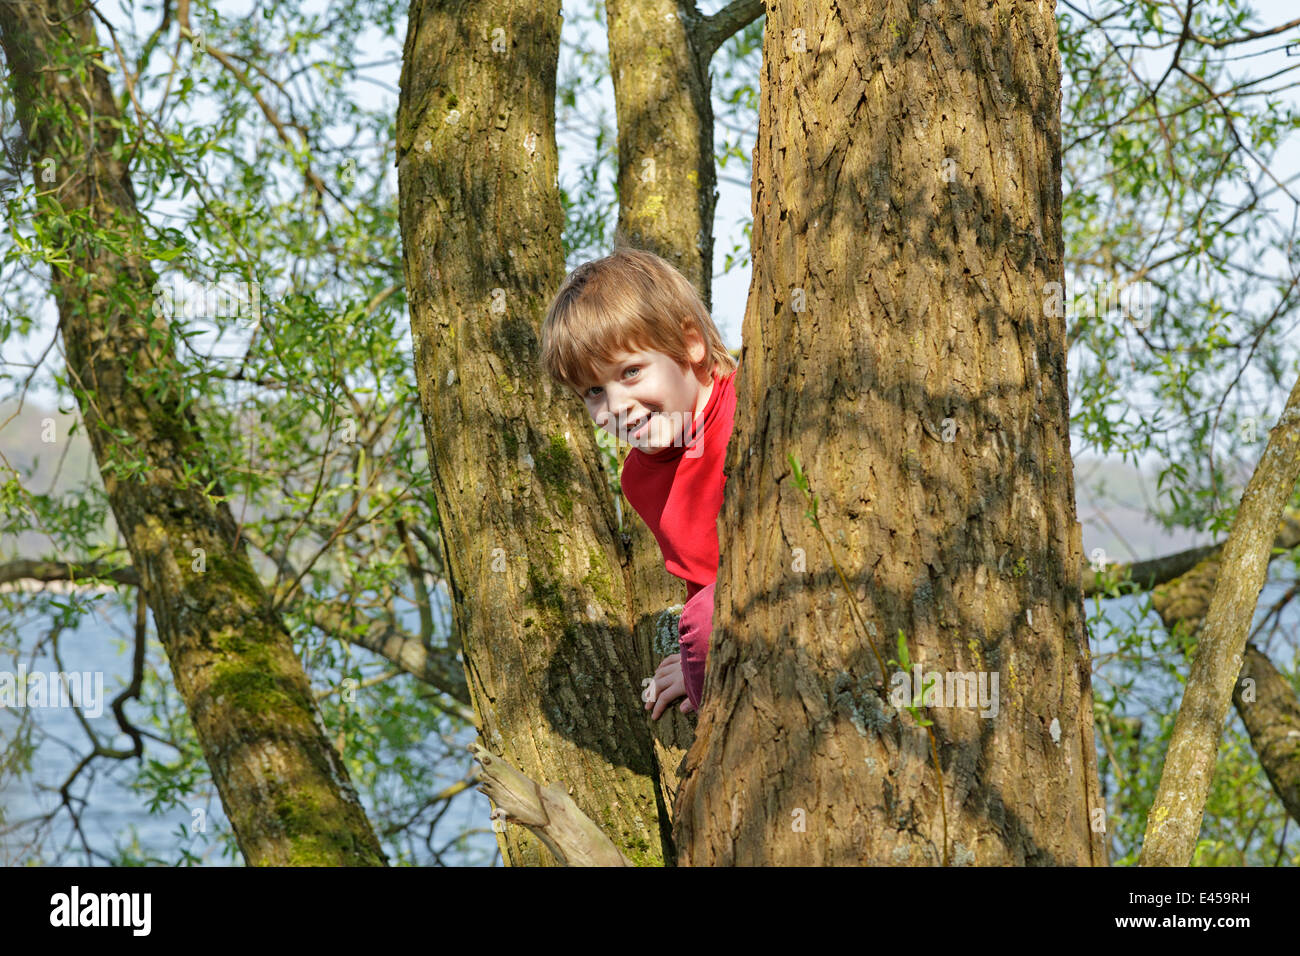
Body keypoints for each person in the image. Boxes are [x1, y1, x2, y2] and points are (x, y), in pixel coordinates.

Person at [539, 247, 738, 718]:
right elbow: (699, 572)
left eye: (631, 372)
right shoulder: (638, 479)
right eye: (594, 391)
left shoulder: (750, 400)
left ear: (690, 344)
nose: (617, 404)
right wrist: (695, 664)